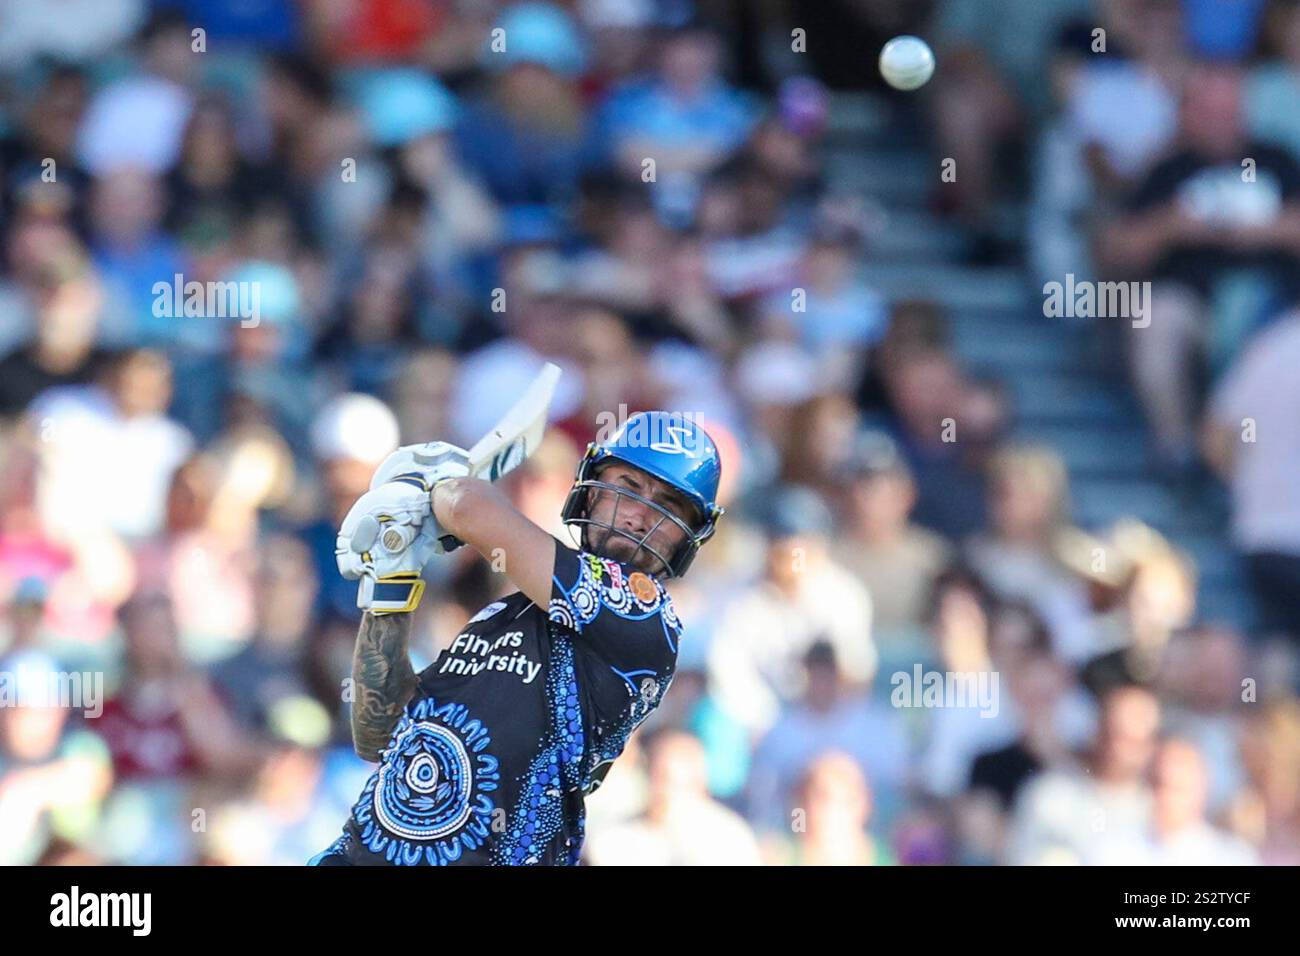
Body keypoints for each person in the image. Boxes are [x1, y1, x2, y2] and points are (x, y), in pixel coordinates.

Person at [311, 411, 723, 865]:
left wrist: (430, 484)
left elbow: (468, 507)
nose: (641, 515)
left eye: (668, 506)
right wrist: (390, 586)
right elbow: (377, 731)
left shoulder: (644, 614)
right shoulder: (506, 612)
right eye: (629, 487)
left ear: (689, 534)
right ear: (592, 487)